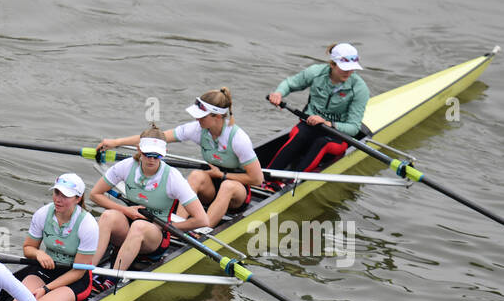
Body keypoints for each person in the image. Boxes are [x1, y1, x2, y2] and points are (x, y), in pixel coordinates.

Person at [97, 89, 264, 224]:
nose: (196, 118)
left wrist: (223, 175)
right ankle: (178, 222)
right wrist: (116, 142)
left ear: (218, 116)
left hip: (238, 190)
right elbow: (158, 138)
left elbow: (257, 179)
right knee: (196, 176)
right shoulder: (198, 129)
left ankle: (206, 229)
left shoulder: (238, 139)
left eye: (201, 116)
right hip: (212, 183)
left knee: (227, 186)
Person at [88, 127, 210, 270]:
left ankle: (113, 279)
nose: (151, 159)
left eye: (156, 155)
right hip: (129, 224)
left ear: (164, 154)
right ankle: (86, 271)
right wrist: (126, 210)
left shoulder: (173, 177)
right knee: (107, 216)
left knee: (138, 227)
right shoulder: (126, 166)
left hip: (156, 237)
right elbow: (94, 194)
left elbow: (202, 220)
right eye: (147, 154)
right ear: (139, 149)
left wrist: (169, 227)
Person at [0, 173, 100, 301]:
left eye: (65, 196)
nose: (58, 199)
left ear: (78, 199)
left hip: (75, 278)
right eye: (57, 193)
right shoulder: (43, 214)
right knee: (21, 298)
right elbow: (28, 248)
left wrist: (46, 289)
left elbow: (79, 271)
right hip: (47, 268)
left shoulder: (88, 224)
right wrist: (38, 254)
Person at [266, 43, 370, 173]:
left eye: (352, 68)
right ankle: (266, 177)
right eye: (344, 68)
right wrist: (278, 93)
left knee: (321, 143)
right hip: (310, 125)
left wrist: (327, 123)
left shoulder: (359, 89)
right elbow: (290, 84)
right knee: (299, 135)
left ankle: (292, 182)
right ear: (332, 64)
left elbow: (354, 128)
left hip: (337, 135)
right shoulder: (315, 72)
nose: (349, 72)